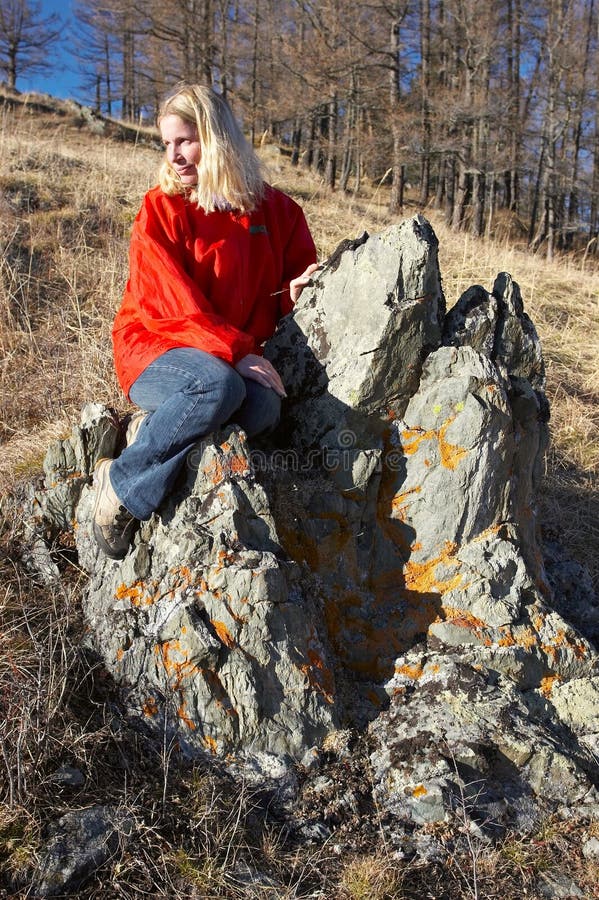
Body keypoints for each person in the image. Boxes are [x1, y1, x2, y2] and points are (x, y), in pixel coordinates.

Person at [92, 83, 318, 560]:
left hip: (225, 357)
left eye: (185, 140)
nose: (173, 155)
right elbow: (173, 306)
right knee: (218, 388)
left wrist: (299, 296)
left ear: (216, 137)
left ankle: (157, 431)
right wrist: (235, 355)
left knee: (263, 410)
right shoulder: (161, 208)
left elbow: (287, 292)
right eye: (166, 143)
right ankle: (120, 484)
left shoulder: (276, 211)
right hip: (154, 348)